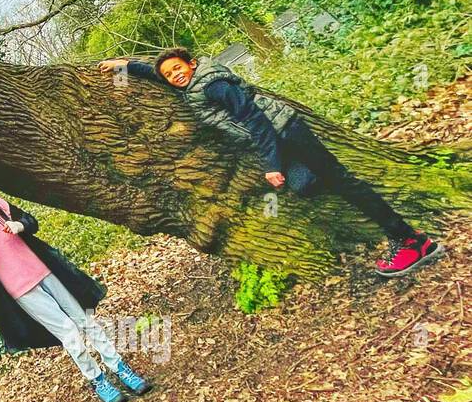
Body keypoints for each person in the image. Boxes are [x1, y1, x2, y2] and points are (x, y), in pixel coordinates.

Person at [99, 47, 444, 277]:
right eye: (169, 74)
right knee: (305, 185)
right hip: (280, 136)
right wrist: (125, 67)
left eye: (177, 68)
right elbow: (158, 74)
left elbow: (255, 119)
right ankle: (403, 233)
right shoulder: (192, 85)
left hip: (285, 131)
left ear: (190, 63)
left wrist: (272, 164)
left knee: (344, 182)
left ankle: (411, 239)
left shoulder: (213, 85)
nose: (174, 76)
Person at [0, 173, 152, 402]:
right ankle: (98, 380)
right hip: (20, 290)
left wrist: (19, 225)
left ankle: (120, 368)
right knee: (68, 332)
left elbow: (31, 221)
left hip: (45, 272)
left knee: (84, 319)